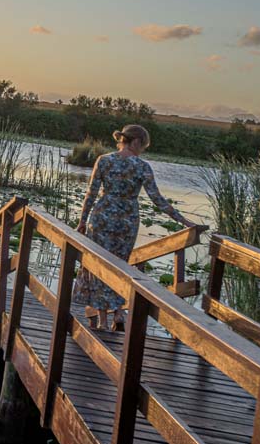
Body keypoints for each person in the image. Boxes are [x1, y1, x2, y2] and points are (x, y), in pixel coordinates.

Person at [75, 124, 195, 330]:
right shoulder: (142, 167)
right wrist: (184, 221)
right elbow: (158, 199)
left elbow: (91, 194)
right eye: (144, 146)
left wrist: (82, 222)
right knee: (120, 267)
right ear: (136, 142)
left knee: (100, 267)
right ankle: (119, 313)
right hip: (127, 222)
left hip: (102, 218)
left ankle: (103, 320)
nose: (143, 150)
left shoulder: (104, 161)